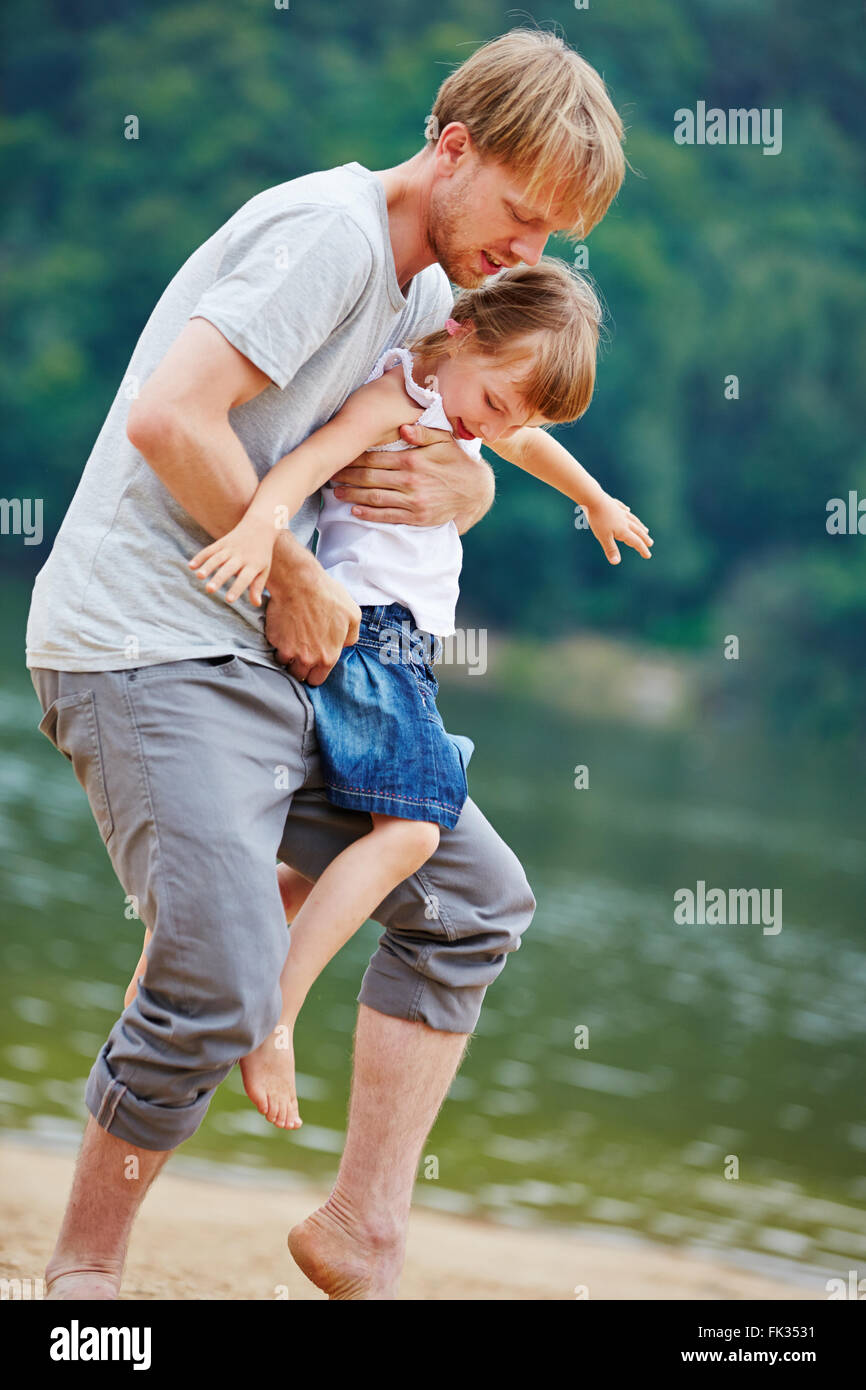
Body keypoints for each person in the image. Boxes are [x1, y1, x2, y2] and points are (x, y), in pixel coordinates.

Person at [26, 28, 629, 1300]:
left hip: (284, 655)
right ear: (449, 145)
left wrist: (460, 490)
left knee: (471, 900)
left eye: (545, 243)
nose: (521, 257)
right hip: (151, 636)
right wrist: (297, 573)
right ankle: (80, 1286)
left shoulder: (428, 295)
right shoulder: (332, 237)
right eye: (518, 219)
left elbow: (444, 436)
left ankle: (362, 1229)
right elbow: (169, 419)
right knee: (219, 963)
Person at [123, 261, 652, 1130]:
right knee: (410, 830)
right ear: (463, 334)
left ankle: (204, 944)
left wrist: (595, 499)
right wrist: (260, 528)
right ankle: (276, 1015)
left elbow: (525, 444)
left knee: (322, 857)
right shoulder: (401, 394)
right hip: (368, 635)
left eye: (517, 416)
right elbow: (310, 459)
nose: (497, 427)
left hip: (403, 656)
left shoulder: (470, 399)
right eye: (496, 402)